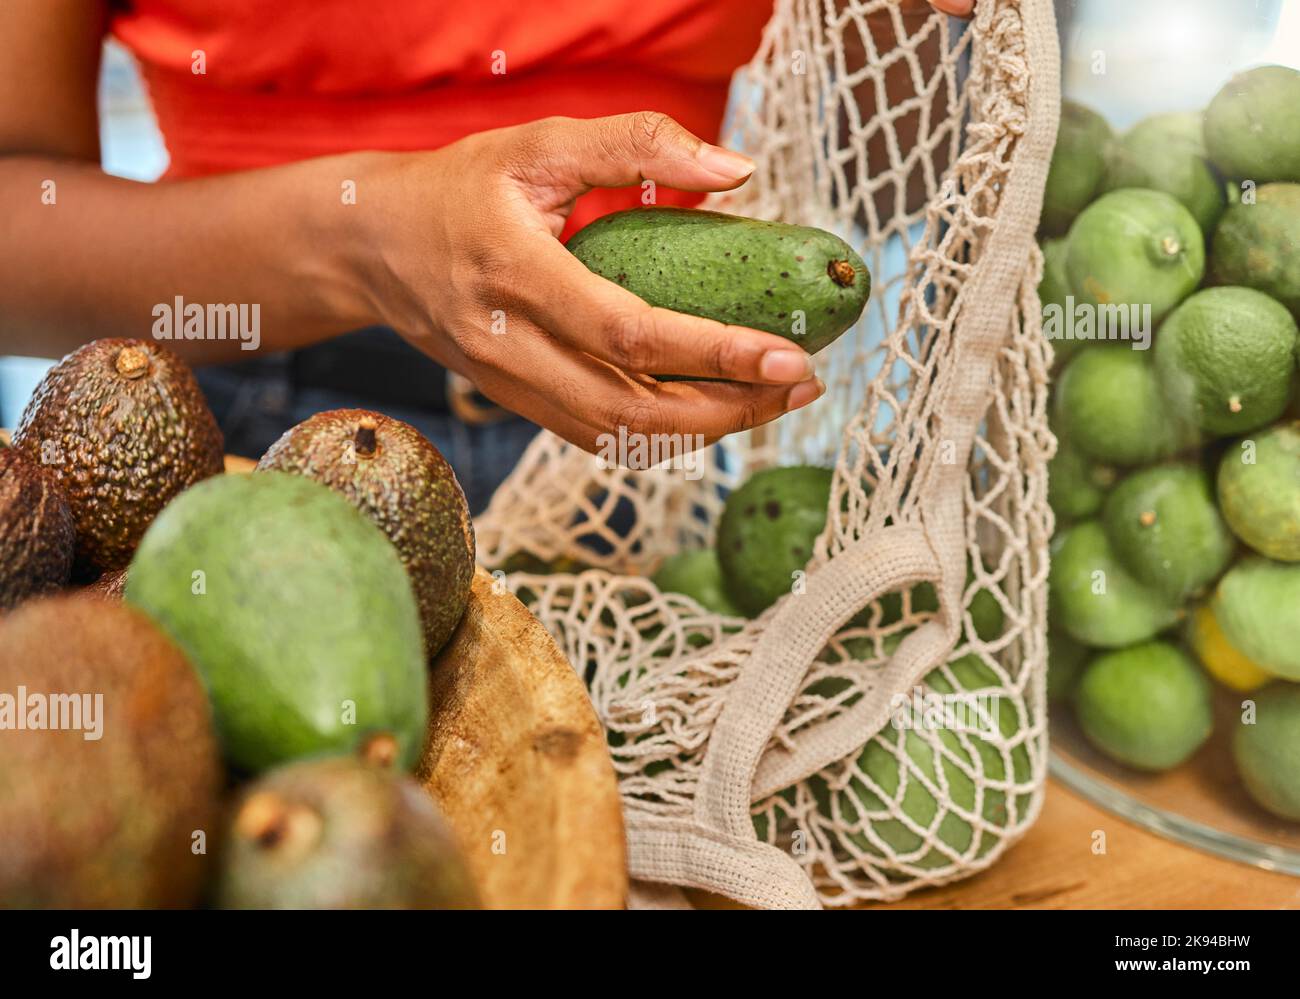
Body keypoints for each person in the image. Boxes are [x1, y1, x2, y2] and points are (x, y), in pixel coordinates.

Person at [0, 0, 972, 510]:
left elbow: (889, 175)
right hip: (251, 427)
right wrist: (362, 244)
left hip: (654, 436)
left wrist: (923, 29)